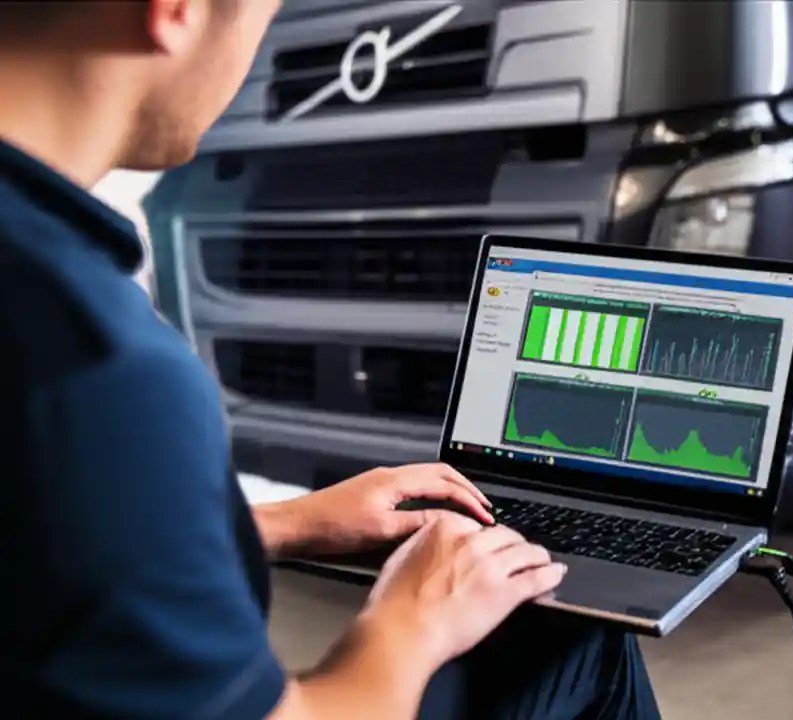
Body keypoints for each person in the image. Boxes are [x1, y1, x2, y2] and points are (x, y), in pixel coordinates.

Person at [0, 2, 662, 718]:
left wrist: (291, 523)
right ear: (176, 9)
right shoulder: (95, 369)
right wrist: (410, 619)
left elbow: (40, 531)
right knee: (567, 633)